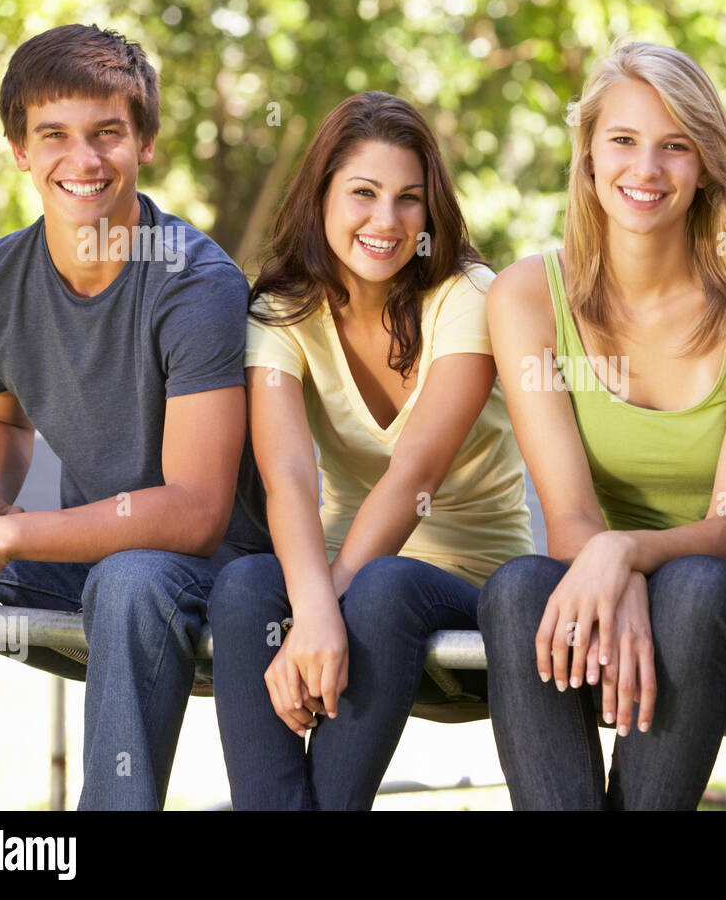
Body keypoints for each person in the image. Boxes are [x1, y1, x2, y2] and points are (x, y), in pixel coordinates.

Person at [0, 24, 270, 810]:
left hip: (211, 576)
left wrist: (5, 535)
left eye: (107, 133)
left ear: (144, 142)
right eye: (55, 135)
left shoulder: (194, 281)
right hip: (84, 558)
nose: (83, 162)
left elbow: (195, 513)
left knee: (130, 577)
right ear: (19, 148)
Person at [479, 41, 726, 810]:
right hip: (603, 585)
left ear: (707, 167)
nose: (646, 170)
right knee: (518, 586)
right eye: (623, 141)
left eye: (676, 146)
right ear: (588, 156)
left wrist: (625, 554)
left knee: (691, 586)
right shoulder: (528, 296)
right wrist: (616, 567)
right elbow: (568, 520)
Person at [207, 92, 533, 810]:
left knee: (383, 584)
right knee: (242, 589)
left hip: (471, 585)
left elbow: (416, 472)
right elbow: (288, 475)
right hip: (347, 576)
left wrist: (329, 603)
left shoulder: (468, 296)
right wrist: (315, 604)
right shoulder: (280, 312)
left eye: (409, 199)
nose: (386, 221)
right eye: (363, 193)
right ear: (321, 195)